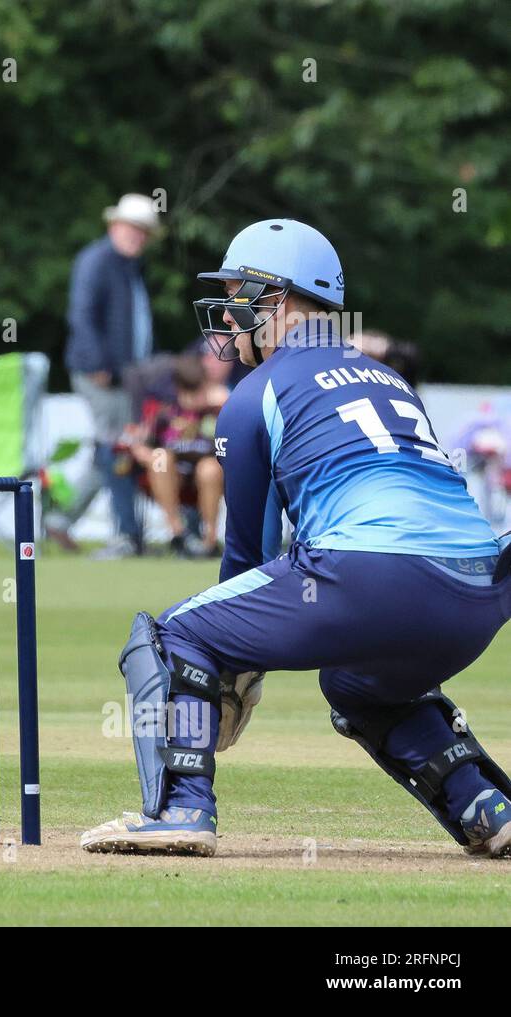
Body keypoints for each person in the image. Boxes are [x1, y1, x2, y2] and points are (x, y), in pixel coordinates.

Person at [82, 219, 511, 858]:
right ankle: (488, 808)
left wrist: (228, 674)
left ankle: (180, 809)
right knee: (358, 684)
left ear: (278, 302)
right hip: (481, 586)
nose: (228, 321)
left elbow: (248, 557)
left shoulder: (255, 394)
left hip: (372, 571)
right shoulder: (388, 378)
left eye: (237, 299)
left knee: (173, 635)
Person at [62, 193, 161, 558]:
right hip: (103, 376)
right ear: (114, 226)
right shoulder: (97, 261)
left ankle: (60, 520)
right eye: (134, 228)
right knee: (118, 448)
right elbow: (81, 315)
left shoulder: (129, 265)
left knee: (109, 450)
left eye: (144, 230)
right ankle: (125, 535)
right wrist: (97, 364)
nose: (139, 236)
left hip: (126, 377)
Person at [125, 352, 227, 557]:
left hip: (209, 472)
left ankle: (210, 539)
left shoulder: (219, 409)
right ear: (179, 389)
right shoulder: (164, 411)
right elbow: (140, 445)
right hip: (172, 475)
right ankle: (178, 534)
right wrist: (147, 455)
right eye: (192, 393)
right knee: (160, 459)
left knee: (209, 468)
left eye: (201, 391)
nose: (198, 398)